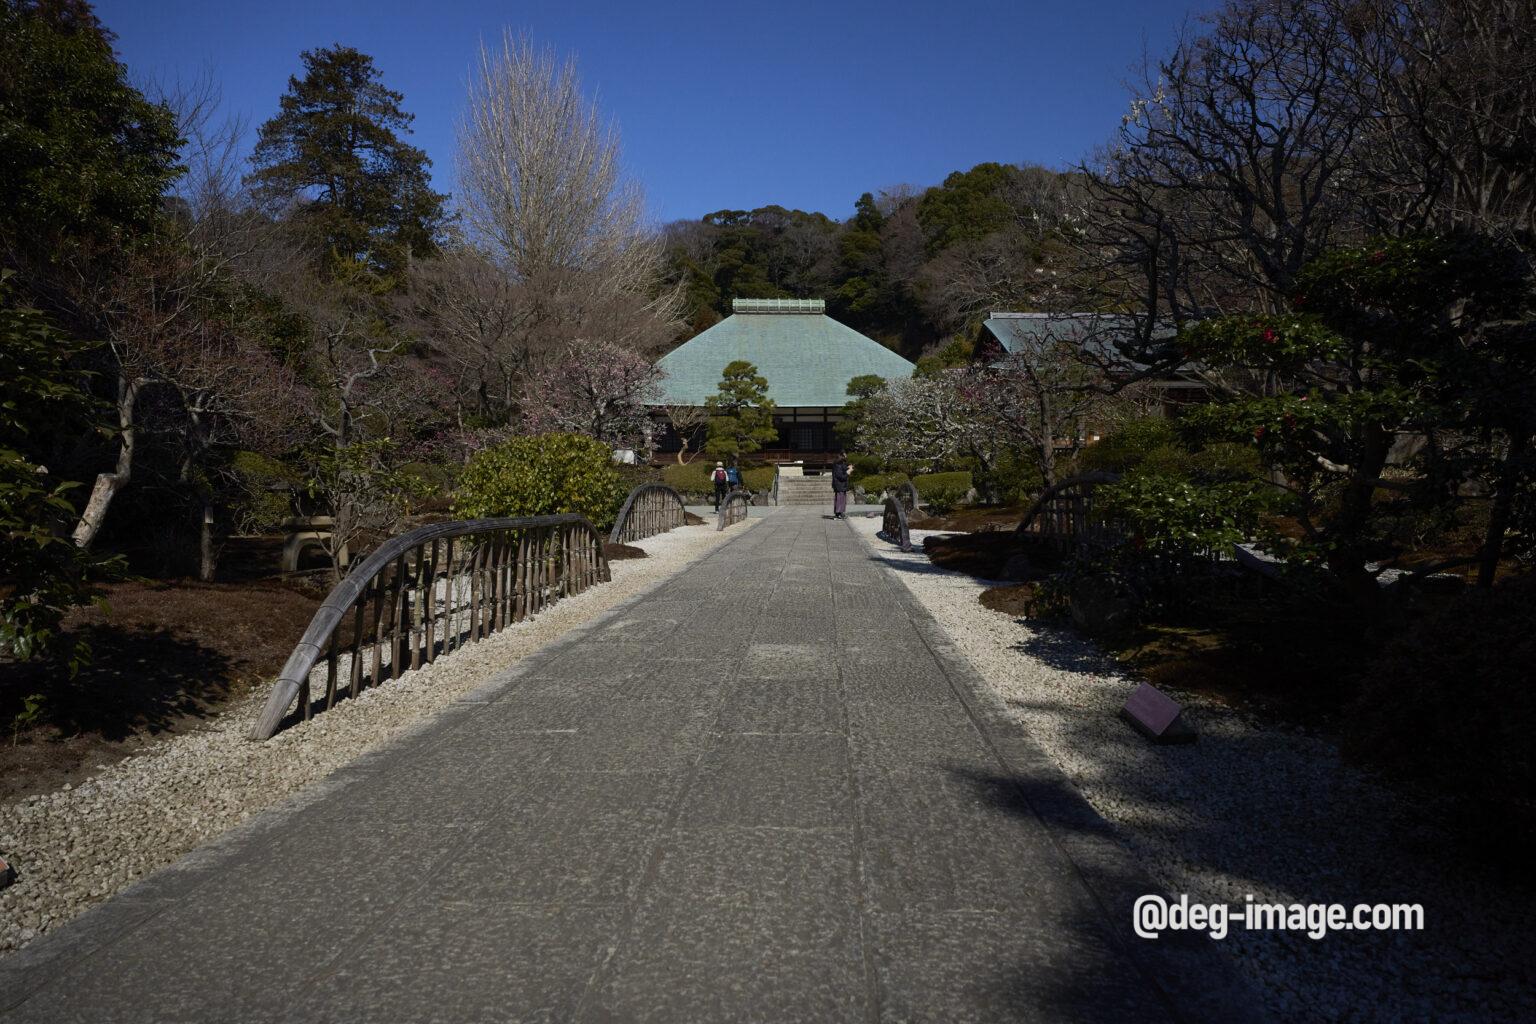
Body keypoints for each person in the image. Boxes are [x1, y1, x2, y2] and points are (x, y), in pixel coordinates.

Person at [830, 452, 851, 519]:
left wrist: (848, 467)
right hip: (839, 485)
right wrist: (848, 473)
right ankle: (838, 514)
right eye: (845, 455)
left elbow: (844, 468)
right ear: (841, 456)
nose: (846, 456)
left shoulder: (841, 464)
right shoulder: (837, 465)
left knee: (842, 499)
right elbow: (841, 476)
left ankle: (840, 513)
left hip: (842, 485)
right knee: (840, 499)